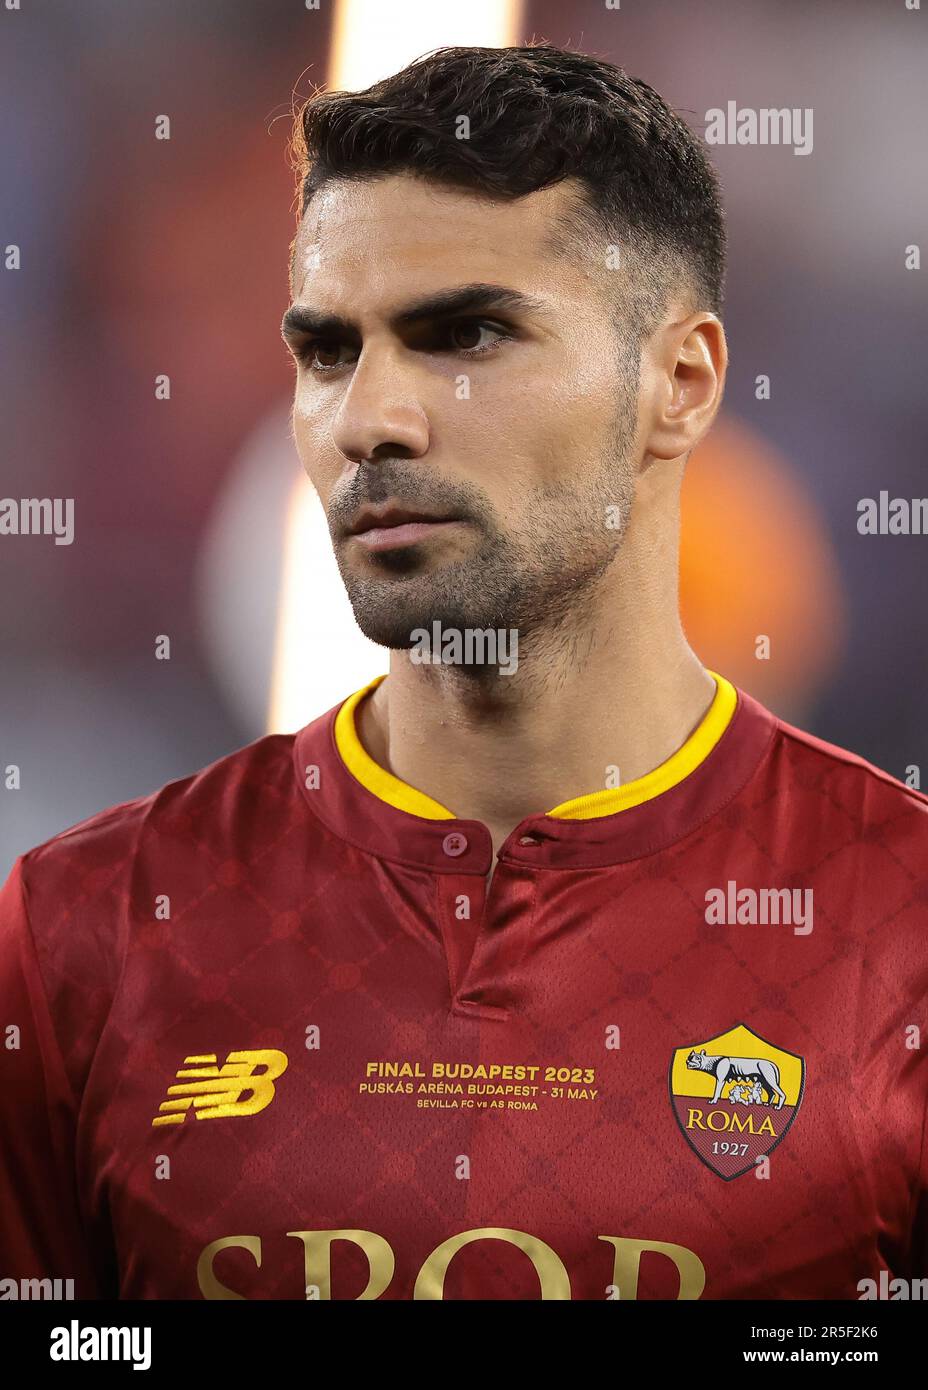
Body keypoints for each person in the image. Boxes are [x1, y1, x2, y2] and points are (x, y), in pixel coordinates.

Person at [1, 44, 925, 1301]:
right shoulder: (81, 930)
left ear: (681, 381)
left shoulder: (900, 924)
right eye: (328, 351)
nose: (368, 418)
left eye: (467, 336)